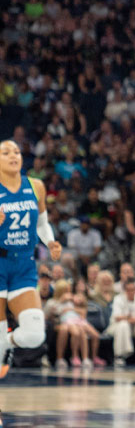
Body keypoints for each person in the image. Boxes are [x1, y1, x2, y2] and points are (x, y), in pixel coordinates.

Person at [0, 139, 63, 378]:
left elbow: (42, 224)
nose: (13, 155)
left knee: (35, 334)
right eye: (6, 152)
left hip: (24, 265)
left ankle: (5, 343)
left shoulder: (36, 186)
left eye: (16, 151)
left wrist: (50, 242)